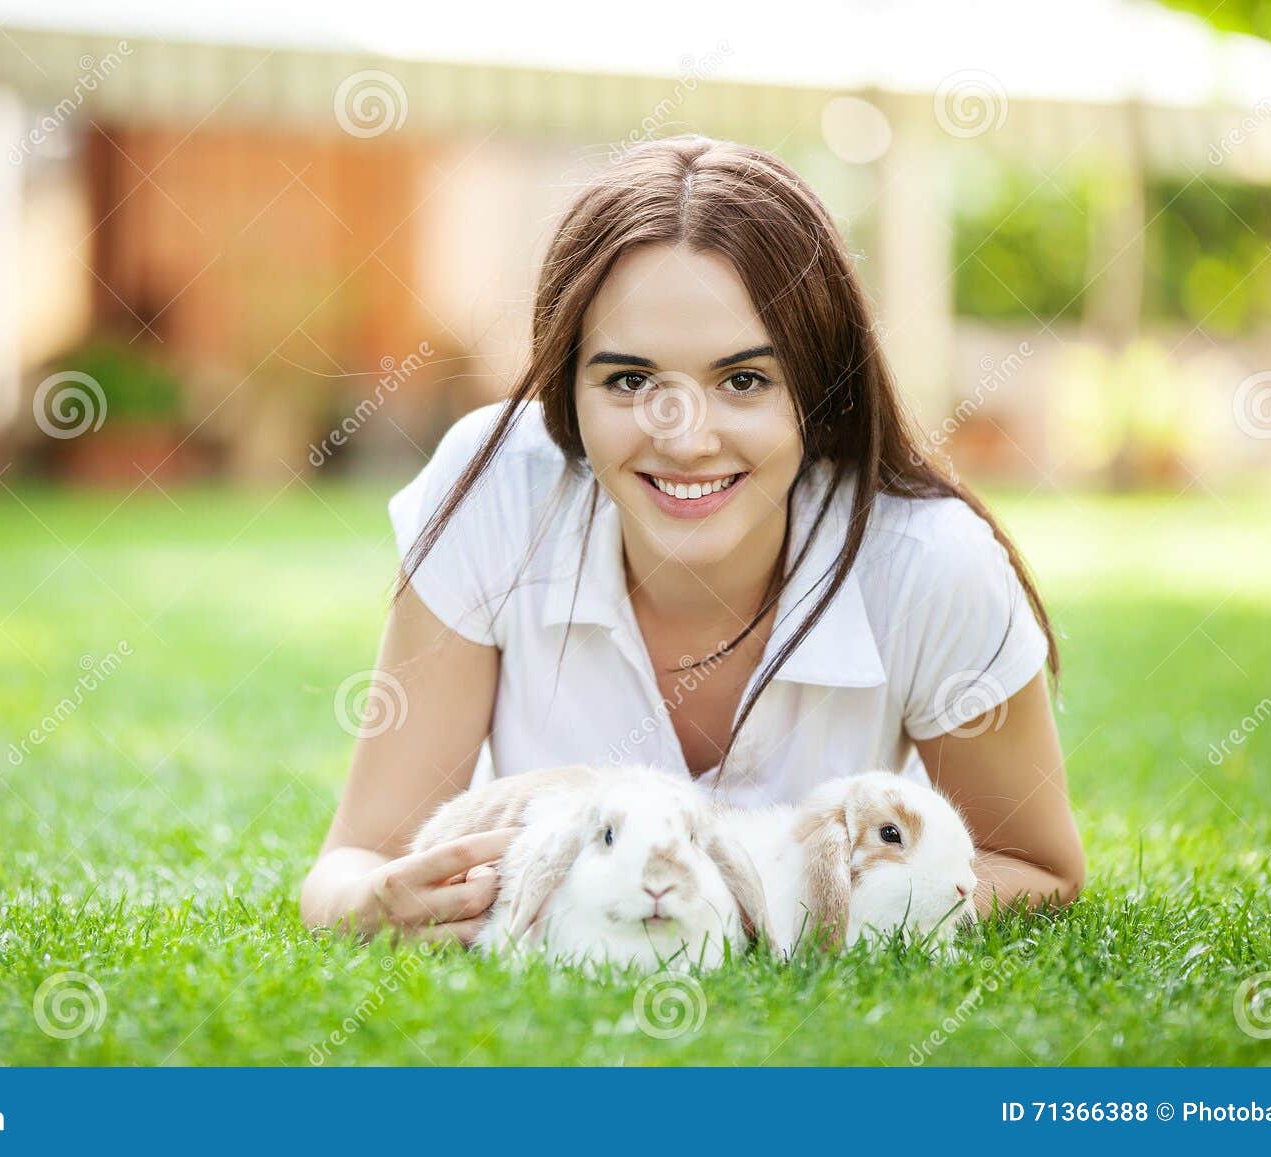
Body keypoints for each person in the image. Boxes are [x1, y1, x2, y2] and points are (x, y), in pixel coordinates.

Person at [299, 135, 1085, 946]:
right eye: (630, 380)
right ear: (567, 387)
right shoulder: (498, 485)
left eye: (744, 380)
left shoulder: (929, 563)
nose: (684, 437)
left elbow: (1037, 866)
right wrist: (372, 905)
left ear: (819, 392)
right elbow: (358, 859)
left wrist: (785, 918)